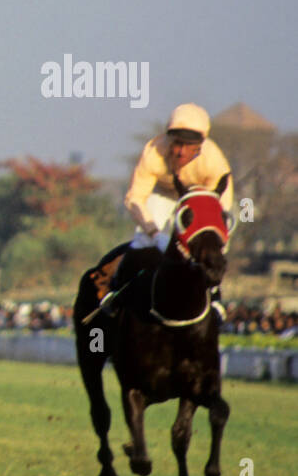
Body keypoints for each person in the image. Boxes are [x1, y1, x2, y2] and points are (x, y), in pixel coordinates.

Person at [93, 103, 233, 317]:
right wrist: (153, 232)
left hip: (199, 200)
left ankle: (214, 296)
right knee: (142, 240)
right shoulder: (153, 152)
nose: (180, 151)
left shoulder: (214, 161)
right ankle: (119, 289)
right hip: (162, 194)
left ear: (200, 145)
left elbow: (221, 206)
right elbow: (135, 198)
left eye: (189, 145)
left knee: (212, 243)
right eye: (177, 143)